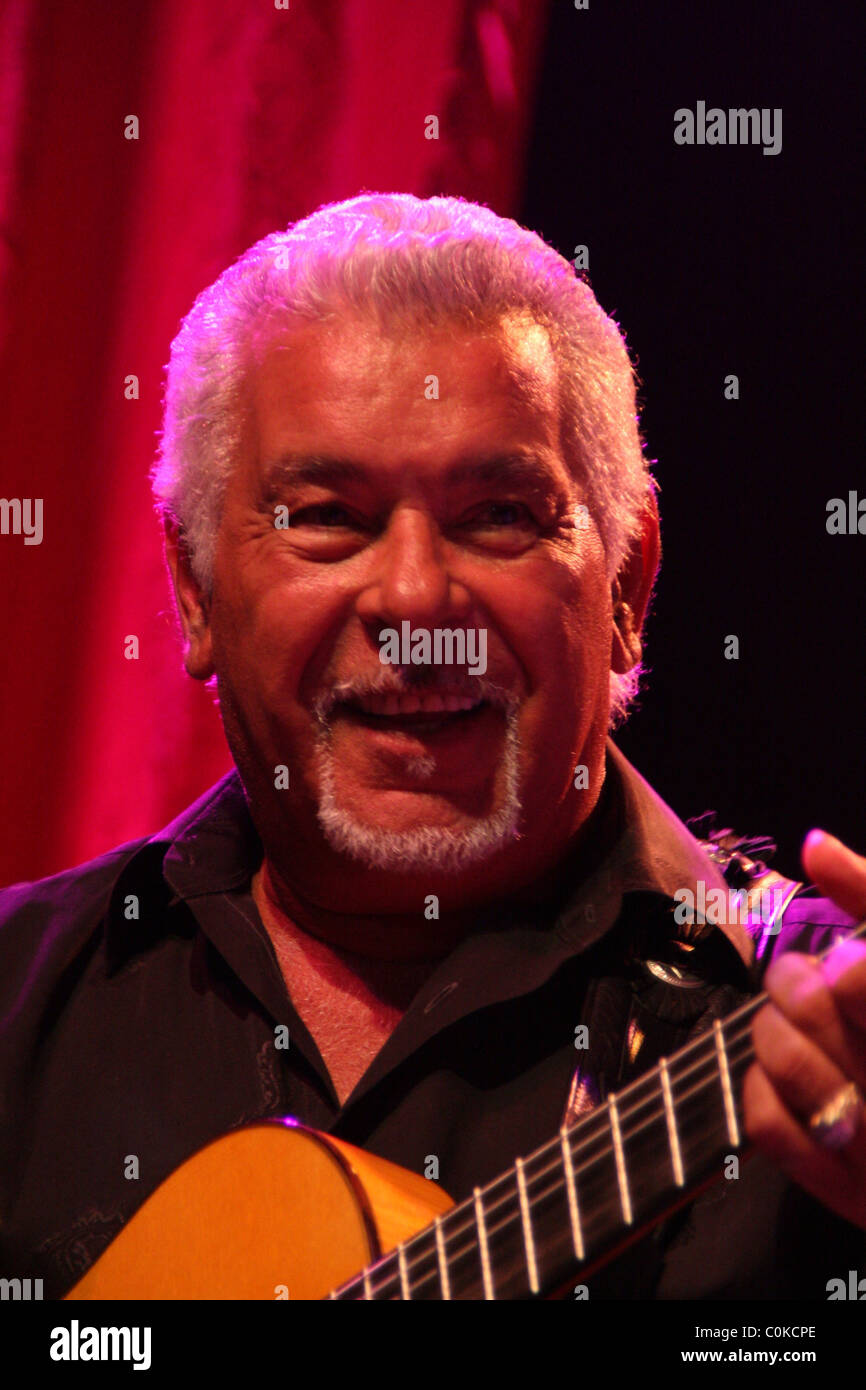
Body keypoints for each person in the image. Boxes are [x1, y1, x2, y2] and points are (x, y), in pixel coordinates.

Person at [1, 193, 864, 1301]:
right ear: (192, 591)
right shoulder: (19, 1013)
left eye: (499, 514)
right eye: (324, 515)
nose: (413, 601)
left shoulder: (815, 1024)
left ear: (625, 592)